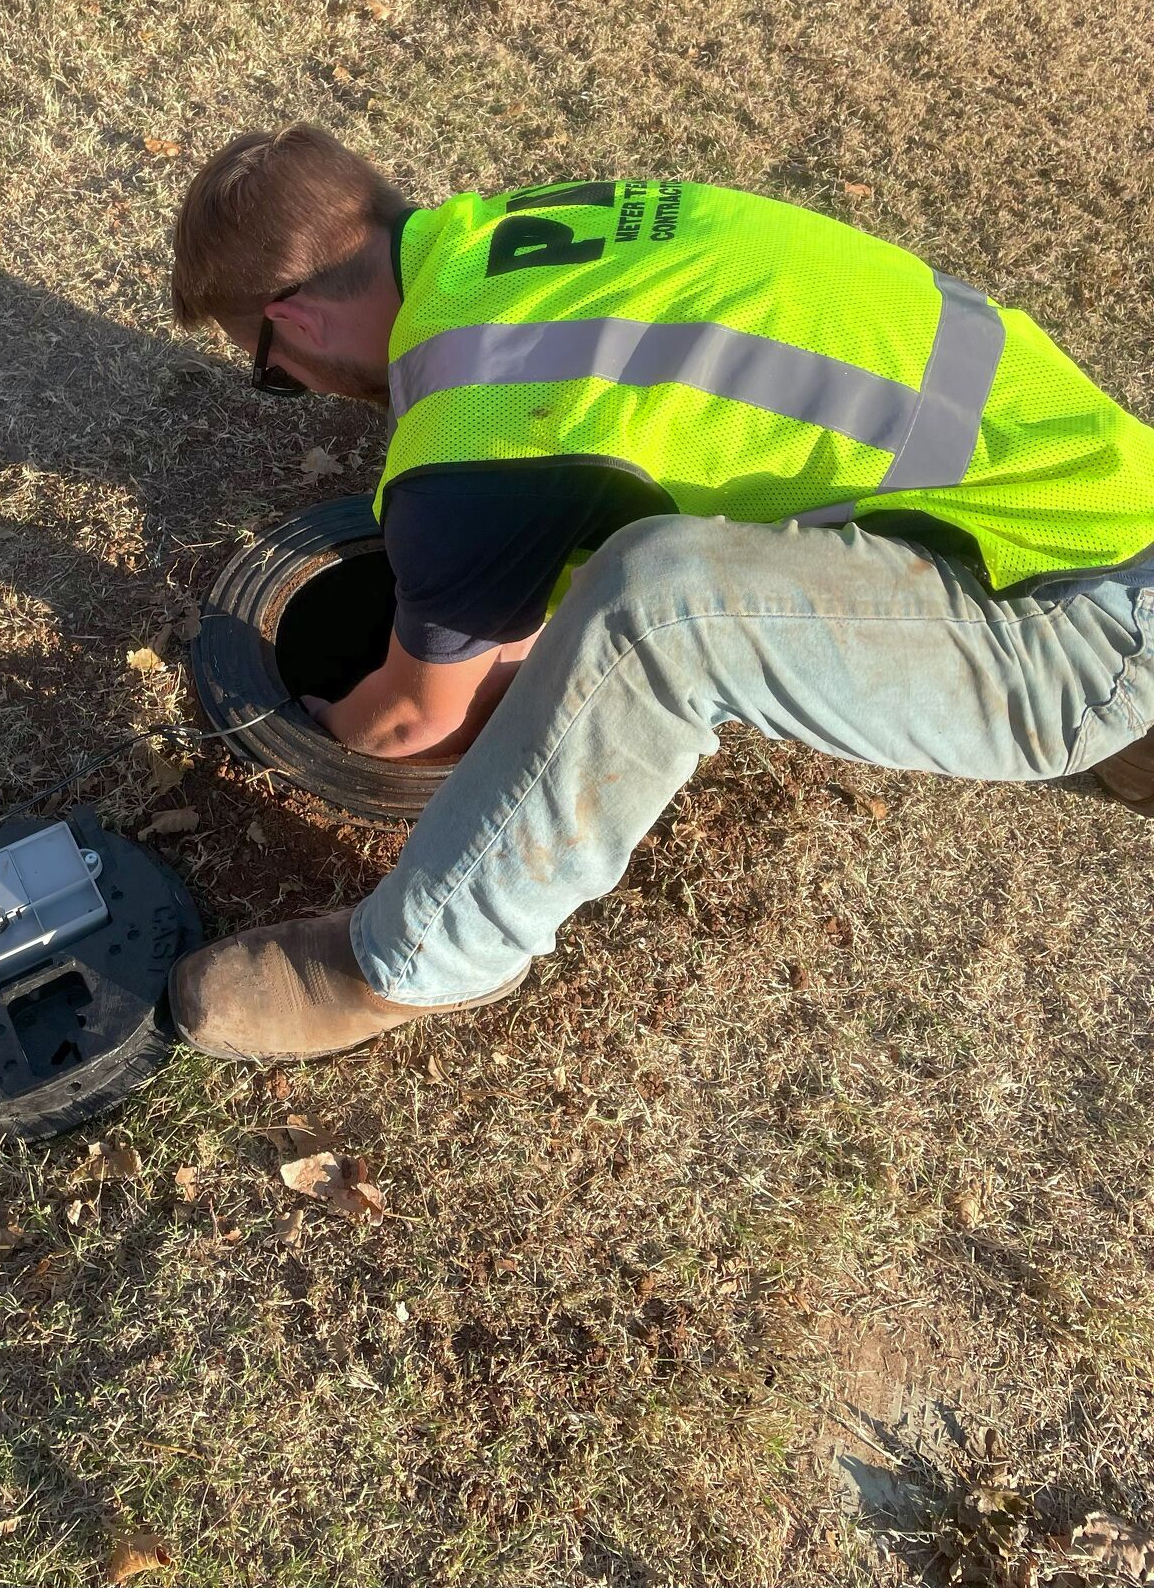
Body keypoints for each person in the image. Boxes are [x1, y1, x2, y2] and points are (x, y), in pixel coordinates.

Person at [164, 124, 1154, 1062]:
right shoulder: (510, 235)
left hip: (1079, 620)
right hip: (1094, 498)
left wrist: (330, 715)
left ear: (291, 319)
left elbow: (414, 720)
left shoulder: (468, 437)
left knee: (656, 613)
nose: (304, 387)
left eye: (277, 375)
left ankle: (420, 963)